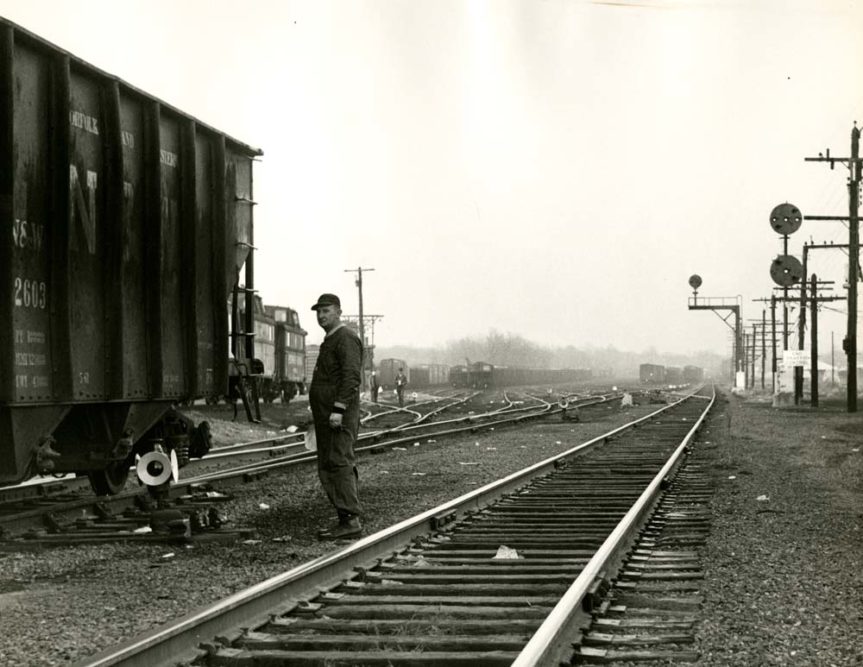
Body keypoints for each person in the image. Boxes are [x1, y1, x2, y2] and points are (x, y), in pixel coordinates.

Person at [308, 293, 364, 539]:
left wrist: (339, 409)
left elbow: (351, 377)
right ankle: (345, 517)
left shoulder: (346, 338)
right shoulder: (330, 339)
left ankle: (350, 520)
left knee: (339, 462)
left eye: (326, 310)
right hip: (327, 416)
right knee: (331, 464)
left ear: (339, 311)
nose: (321, 316)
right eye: (319, 312)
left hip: (337, 417)